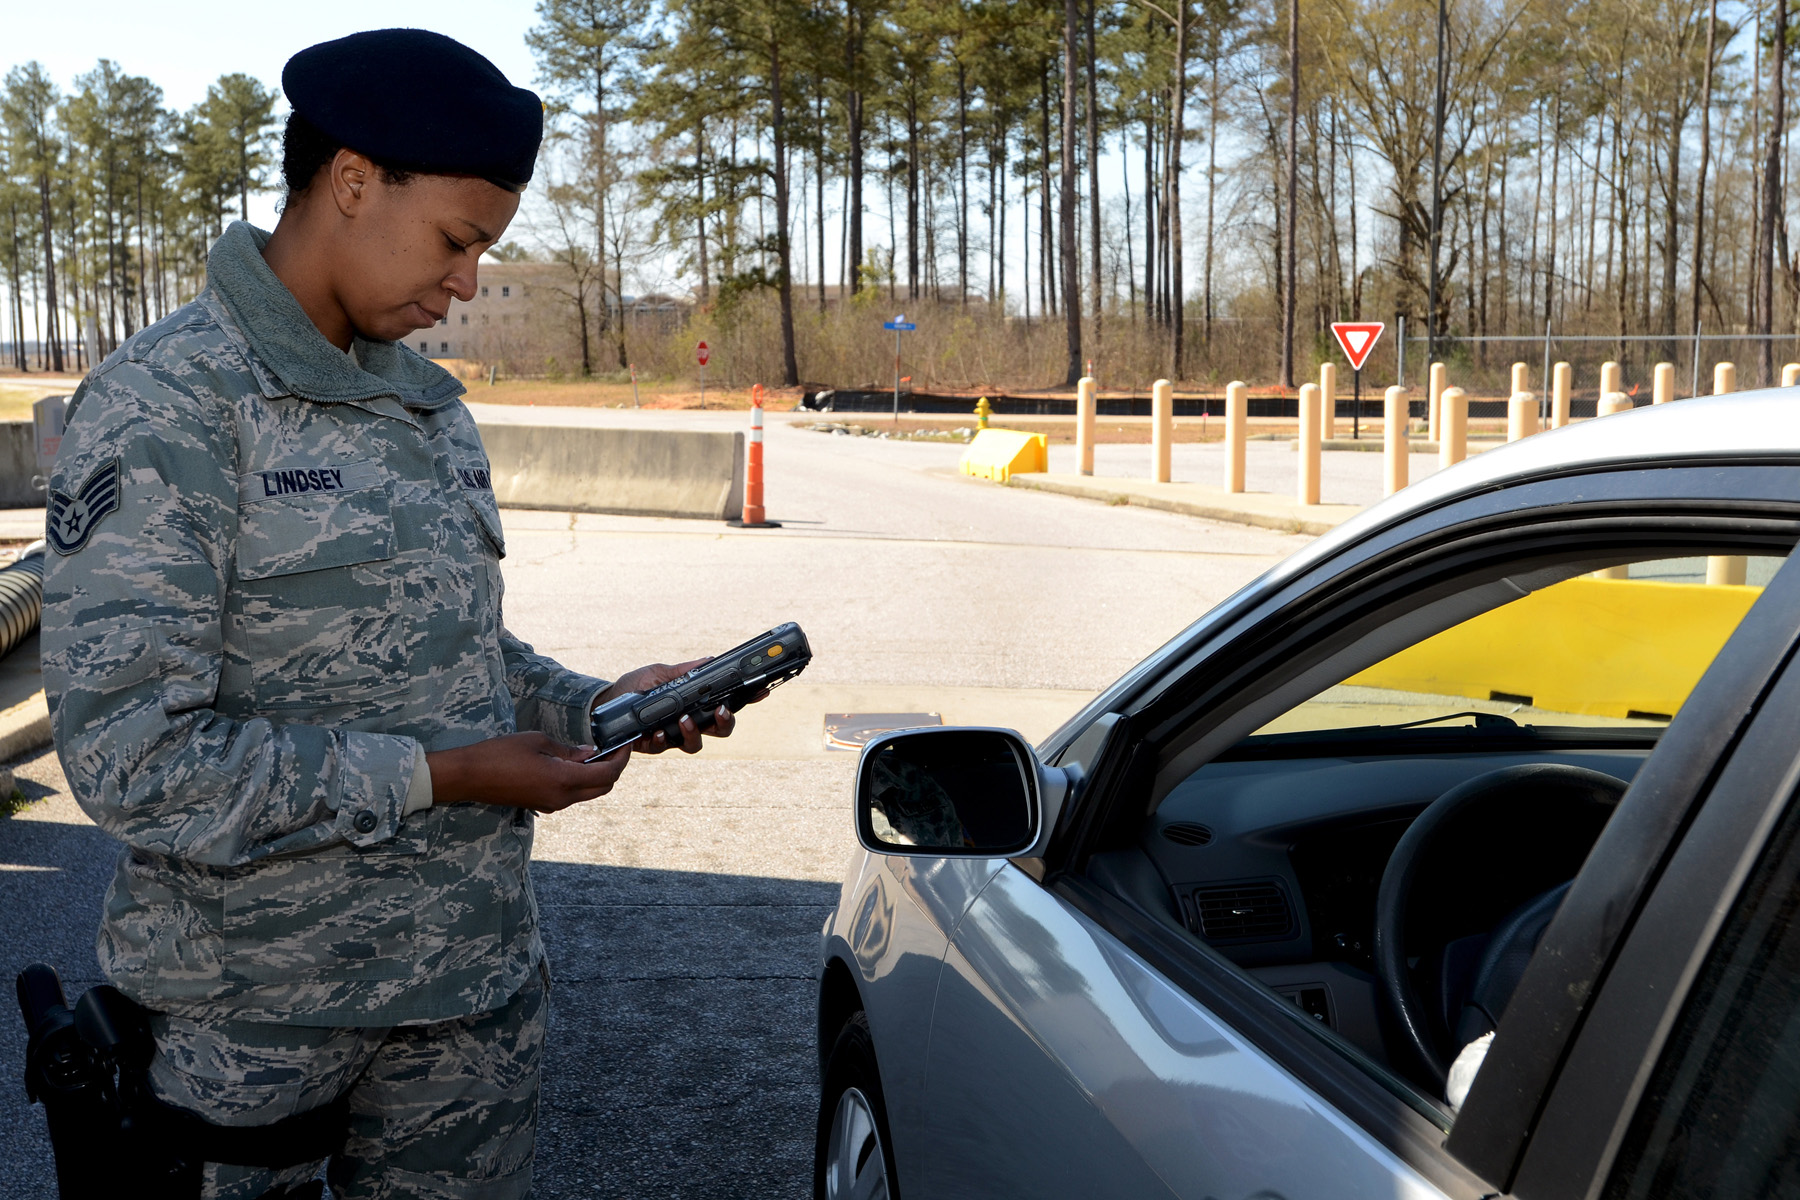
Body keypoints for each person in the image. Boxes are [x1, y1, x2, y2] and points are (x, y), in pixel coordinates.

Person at [37, 28, 739, 1199]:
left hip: (468, 999)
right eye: (458, 242)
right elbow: (132, 760)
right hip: (249, 1019)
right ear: (355, 181)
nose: (466, 285)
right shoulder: (168, 405)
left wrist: (593, 706)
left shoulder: (425, 405)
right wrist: (444, 778)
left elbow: (458, 654)